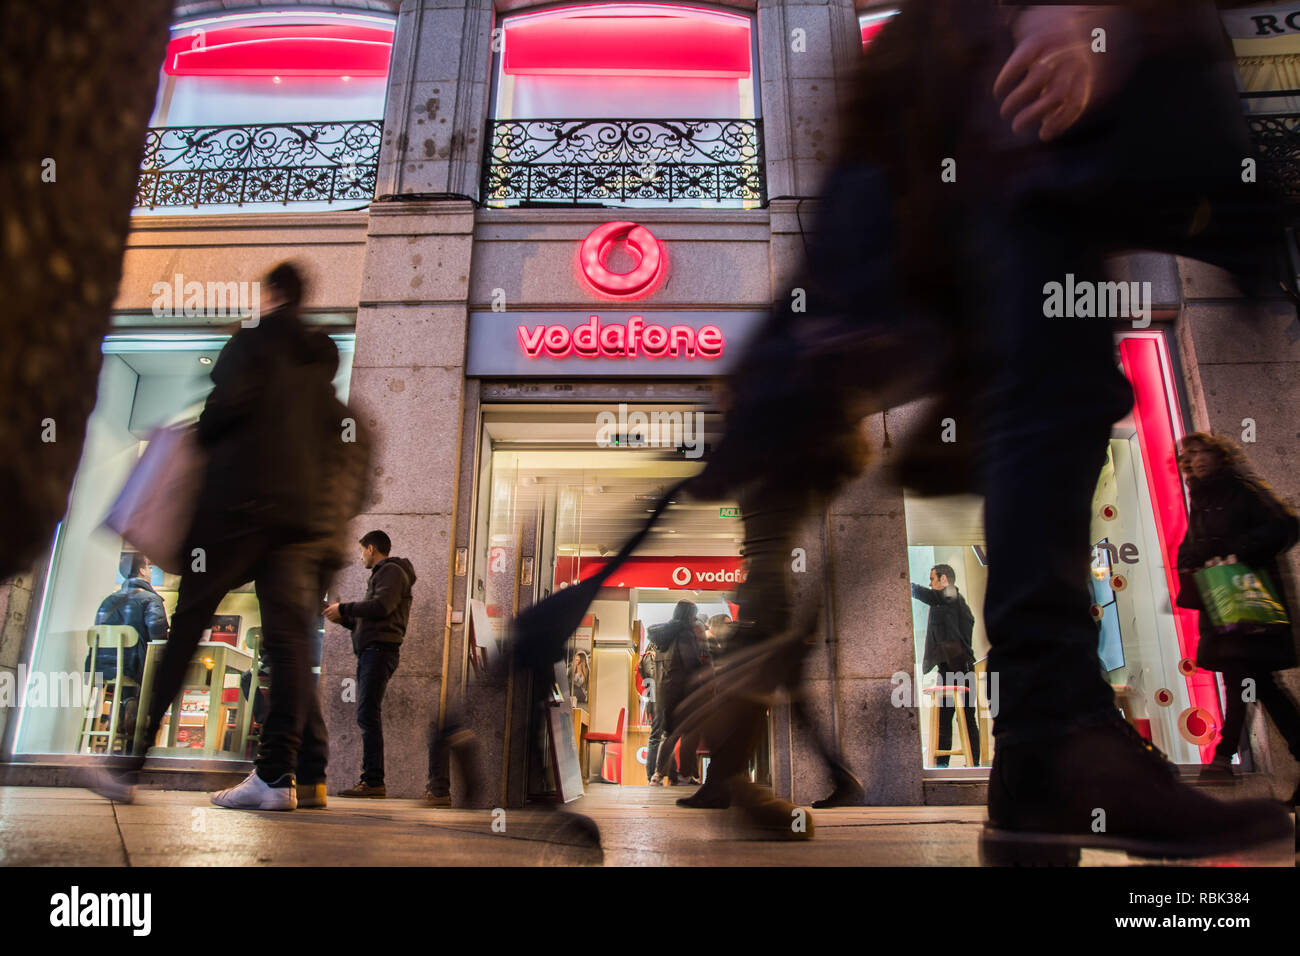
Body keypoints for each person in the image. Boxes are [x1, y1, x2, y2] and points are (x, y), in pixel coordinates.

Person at [89, 262, 344, 812]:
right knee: (289, 645)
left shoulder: (252, 342)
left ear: (271, 293)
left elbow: (220, 414)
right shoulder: (321, 366)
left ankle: (129, 765)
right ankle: (278, 780)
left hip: (233, 511)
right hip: (293, 521)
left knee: (186, 632)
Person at [1175, 433, 1300, 802]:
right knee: (1255, 684)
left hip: (1247, 603)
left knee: (1249, 682)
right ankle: (1222, 762)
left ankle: (1221, 761)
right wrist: (1191, 564)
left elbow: (1285, 527)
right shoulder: (1201, 500)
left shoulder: (1242, 490)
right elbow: (1191, 545)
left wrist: (1237, 552)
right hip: (1225, 606)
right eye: (1188, 455)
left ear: (1219, 453)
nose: (1194, 460)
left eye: (1200, 452)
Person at [324, 530, 416, 798]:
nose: (360, 555)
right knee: (367, 714)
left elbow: (381, 607)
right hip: (372, 651)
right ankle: (372, 780)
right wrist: (343, 619)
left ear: (372, 548)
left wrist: (345, 608)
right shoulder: (384, 574)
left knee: (367, 714)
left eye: (362, 550)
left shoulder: (391, 572)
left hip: (379, 652)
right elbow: (373, 617)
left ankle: (373, 781)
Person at [85, 552, 169, 740]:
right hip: (134, 666)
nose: (150, 570)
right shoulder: (150, 599)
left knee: (125, 679)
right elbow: (158, 635)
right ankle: (141, 731)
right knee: (159, 678)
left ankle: (123, 705)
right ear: (141, 570)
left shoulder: (108, 600)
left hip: (101, 666)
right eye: (148, 567)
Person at [912, 564, 980, 768]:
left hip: (962, 668)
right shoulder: (947, 604)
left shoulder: (951, 596)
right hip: (948, 669)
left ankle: (973, 765)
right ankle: (942, 764)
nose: (930, 584)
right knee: (945, 718)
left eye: (933, 579)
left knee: (966, 718)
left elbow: (933, 597)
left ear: (944, 580)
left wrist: (906, 584)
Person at [648, 600, 705, 786]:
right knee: (691, 732)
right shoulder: (685, 634)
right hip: (684, 690)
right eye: (694, 614)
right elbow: (691, 663)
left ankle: (657, 774)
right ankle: (685, 774)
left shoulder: (664, 635)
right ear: (689, 615)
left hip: (666, 690)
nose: (695, 618)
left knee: (669, 733)